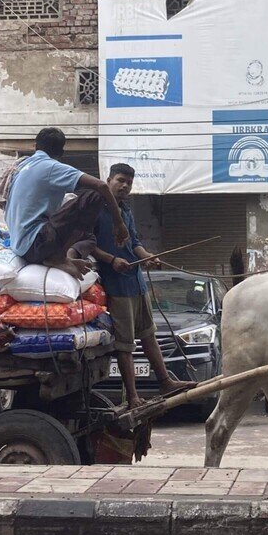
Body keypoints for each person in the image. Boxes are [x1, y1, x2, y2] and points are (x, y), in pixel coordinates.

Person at [92, 163, 195, 408]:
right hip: (116, 286)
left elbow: (134, 242)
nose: (125, 186)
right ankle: (133, 397)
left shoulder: (126, 211)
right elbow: (87, 244)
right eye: (120, 180)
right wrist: (112, 260)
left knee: (149, 334)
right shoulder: (95, 209)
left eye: (129, 182)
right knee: (126, 344)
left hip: (136, 282)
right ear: (108, 180)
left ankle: (165, 381)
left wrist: (148, 256)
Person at [6, 128, 128, 278]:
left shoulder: (22, 167)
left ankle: (59, 257)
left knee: (84, 228)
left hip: (20, 245)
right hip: (36, 245)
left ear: (35, 146)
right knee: (94, 195)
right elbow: (102, 186)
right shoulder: (50, 166)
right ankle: (57, 258)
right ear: (61, 153)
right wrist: (119, 224)